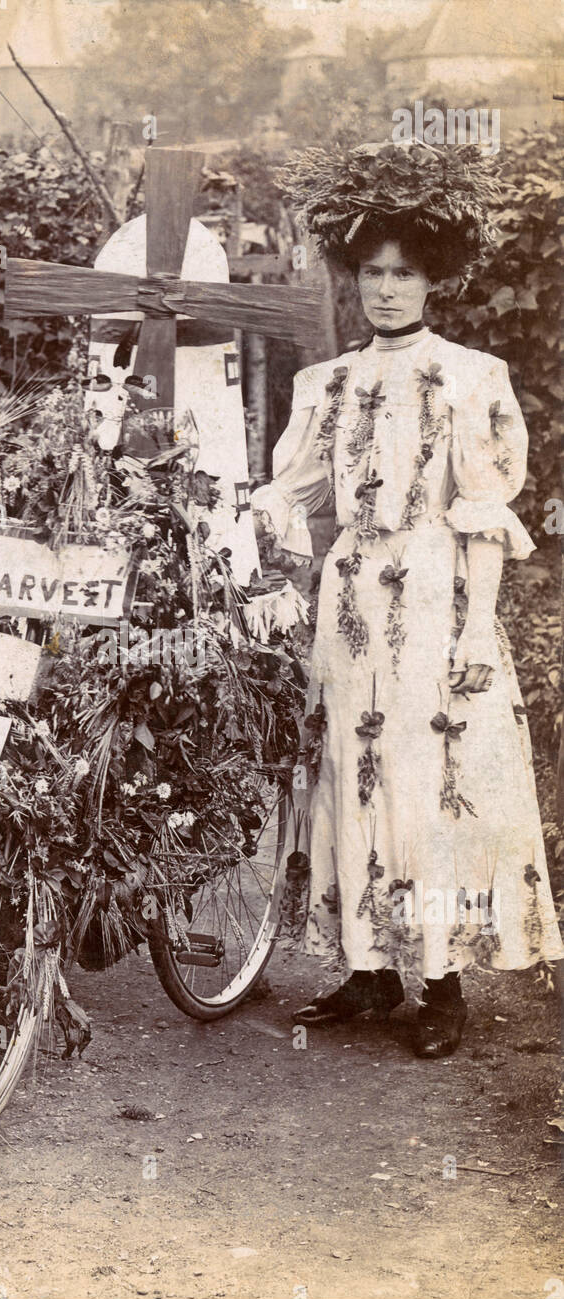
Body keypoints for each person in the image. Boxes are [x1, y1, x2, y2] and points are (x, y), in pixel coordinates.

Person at [252, 140, 563, 1058]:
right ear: (350, 281)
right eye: (370, 274)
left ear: (432, 283)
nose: (385, 291)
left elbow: (482, 513)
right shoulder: (327, 383)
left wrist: (475, 625)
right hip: (350, 598)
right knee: (352, 771)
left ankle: (440, 983)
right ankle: (369, 970)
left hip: (434, 596)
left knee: (433, 784)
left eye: (403, 275)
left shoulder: (471, 378)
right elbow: (295, 495)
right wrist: (249, 536)